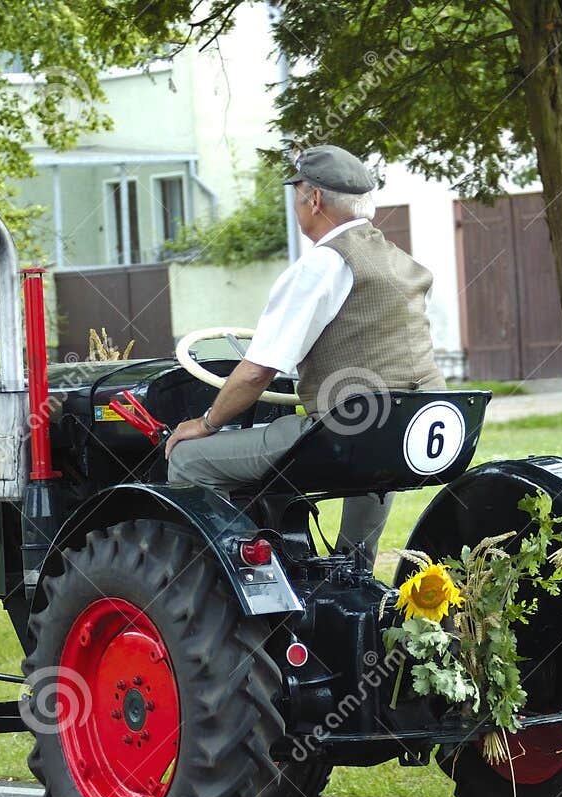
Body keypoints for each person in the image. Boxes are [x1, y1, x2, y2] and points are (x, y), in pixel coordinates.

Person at [165, 144, 445, 565]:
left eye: (297, 194)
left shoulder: (322, 265)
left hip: (347, 435)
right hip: (409, 429)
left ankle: (232, 578)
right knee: (371, 443)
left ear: (313, 199)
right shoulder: (394, 259)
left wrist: (205, 422)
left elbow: (257, 372)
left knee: (188, 459)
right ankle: (355, 568)